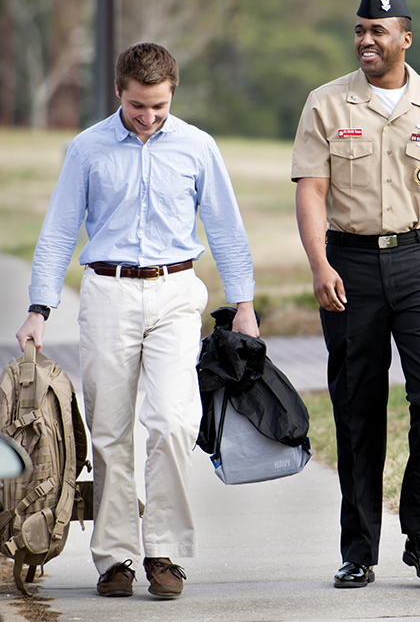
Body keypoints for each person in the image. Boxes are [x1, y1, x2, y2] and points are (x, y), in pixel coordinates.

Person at [15, 42, 259, 599]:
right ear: (119, 92)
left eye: (159, 107)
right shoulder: (87, 148)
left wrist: (243, 304)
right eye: (138, 107)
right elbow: (58, 230)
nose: (148, 118)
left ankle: (164, 551)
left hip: (176, 292)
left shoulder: (198, 147)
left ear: (173, 93)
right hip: (106, 293)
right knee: (110, 429)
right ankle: (116, 558)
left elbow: (225, 228)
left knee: (174, 421)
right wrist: (39, 308)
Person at [292, 0, 420, 588]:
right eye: (359, 30)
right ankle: (359, 549)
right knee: (358, 409)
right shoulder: (326, 104)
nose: (366, 41)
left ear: (405, 37)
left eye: (378, 32)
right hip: (349, 263)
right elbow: (310, 190)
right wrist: (318, 265)